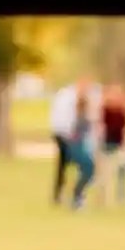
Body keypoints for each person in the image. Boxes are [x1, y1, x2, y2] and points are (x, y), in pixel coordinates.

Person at [48, 77, 88, 205]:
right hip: (65, 135)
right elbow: (62, 118)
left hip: (70, 136)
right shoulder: (67, 97)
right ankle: (64, 194)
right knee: (65, 165)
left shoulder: (76, 99)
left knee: (68, 166)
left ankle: (70, 194)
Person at [98, 84, 125, 205]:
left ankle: (121, 196)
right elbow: (100, 127)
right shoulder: (104, 110)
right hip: (107, 144)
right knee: (105, 172)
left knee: (123, 169)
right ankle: (103, 197)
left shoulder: (122, 111)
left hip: (120, 144)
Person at [69, 94, 98, 211]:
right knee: (88, 171)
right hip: (80, 148)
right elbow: (80, 136)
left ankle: (79, 196)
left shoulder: (81, 118)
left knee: (86, 172)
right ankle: (77, 196)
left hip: (80, 147)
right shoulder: (82, 119)